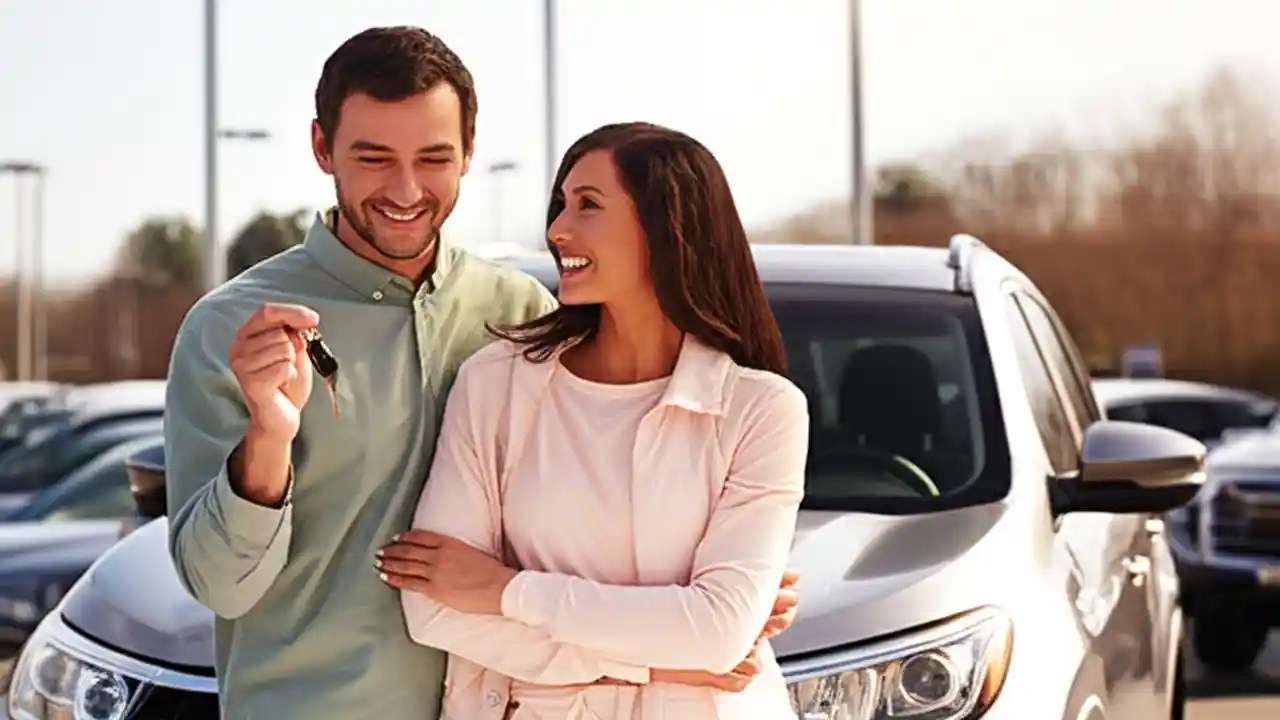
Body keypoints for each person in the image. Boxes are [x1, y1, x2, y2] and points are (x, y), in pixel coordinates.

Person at [164, 27, 798, 720]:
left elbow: (603, 537)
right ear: (323, 148)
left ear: (469, 152)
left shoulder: (520, 318)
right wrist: (267, 441)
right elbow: (218, 586)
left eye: (434, 157)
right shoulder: (232, 329)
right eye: (374, 158)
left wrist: (701, 606)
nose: (405, 189)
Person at [377, 122, 809, 719]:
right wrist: (649, 660)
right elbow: (436, 607)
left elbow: (717, 632)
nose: (558, 230)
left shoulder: (761, 410)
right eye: (560, 205)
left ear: (666, 225)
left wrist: (506, 590)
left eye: (588, 205)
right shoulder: (495, 383)